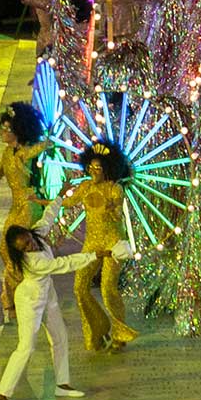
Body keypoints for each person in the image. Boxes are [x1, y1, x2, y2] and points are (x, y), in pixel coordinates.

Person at [0, 193, 130, 400]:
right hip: (29, 300)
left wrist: (59, 196)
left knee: (60, 337)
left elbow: (48, 217)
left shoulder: (37, 234)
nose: (29, 246)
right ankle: (2, 394)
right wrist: (96, 255)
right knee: (26, 347)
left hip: (48, 295)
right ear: (19, 251)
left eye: (28, 241)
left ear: (29, 234)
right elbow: (64, 263)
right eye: (24, 248)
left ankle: (62, 384)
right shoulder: (33, 263)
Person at [0, 101, 52, 319]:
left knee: (11, 248)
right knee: (7, 251)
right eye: (2, 128)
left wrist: (49, 137)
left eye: (8, 129)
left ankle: (16, 298)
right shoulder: (6, 154)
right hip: (16, 206)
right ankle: (19, 293)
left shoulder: (24, 153)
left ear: (18, 131)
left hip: (30, 205)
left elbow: (44, 145)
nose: (3, 132)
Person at [66, 141, 137, 351]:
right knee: (79, 287)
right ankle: (97, 329)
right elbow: (68, 203)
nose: (94, 171)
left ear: (107, 169)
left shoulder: (115, 189)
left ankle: (119, 334)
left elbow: (117, 212)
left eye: (98, 168)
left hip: (112, 242)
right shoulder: (85, 186)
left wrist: (112, 207)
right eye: (91, 167)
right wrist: (42, 202)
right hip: (92, 242)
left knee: (107, 289)